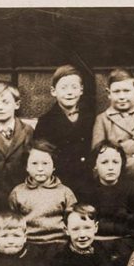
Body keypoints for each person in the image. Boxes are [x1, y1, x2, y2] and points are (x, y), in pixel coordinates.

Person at [76, 140, 134, 266]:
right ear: (95, 165)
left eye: (115, 162)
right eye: (104, 162)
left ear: (122, 164)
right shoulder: (86, 191)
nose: (111, 167)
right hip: (95, 243)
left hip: (125, 243)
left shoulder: (132, 190)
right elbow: (85, 223)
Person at [33, 65, 95, 193]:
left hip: (88, 182)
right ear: (53, 91)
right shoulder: (46, 122)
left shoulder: (90, 118)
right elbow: (42, 156)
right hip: (60, 184)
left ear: (81, 90)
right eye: (64, 88)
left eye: (74, 87)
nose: (70, 92)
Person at [7, 140, 78, 252]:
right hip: (28, 245)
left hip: (59, 244)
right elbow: (12, 223)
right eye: (34, 163)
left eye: (45, 163)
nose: (40, 168)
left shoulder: (65, 192)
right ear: (26, 167)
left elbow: (73, 221)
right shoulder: (18, 192)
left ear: (54, 166)